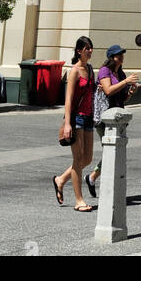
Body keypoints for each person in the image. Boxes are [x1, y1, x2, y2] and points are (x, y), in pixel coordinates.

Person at [86, 44, 140, 197]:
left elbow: (122, 98)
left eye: (122, 54)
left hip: (116, 117)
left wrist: (130, 92)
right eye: (118, 55)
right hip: (104, 118)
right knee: (111, 151)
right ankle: (97, 181)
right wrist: (126, 82)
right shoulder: (105, 71)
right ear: (111, 57)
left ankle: (93, 178)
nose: (121, 57)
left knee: (113, 151)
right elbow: (108, 90)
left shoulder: (120, 73)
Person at [53, 37, 96, 212]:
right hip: (77, 118)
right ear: (79, 51)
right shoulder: (75, 71)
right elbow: (68, 99)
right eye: (87, 48)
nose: (90, 50)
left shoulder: (90, 69)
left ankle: (61, 180)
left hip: (89, 117)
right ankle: (79, 200)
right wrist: (68, 123)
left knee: (88, 158)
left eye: (91, 48)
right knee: (78, 159)